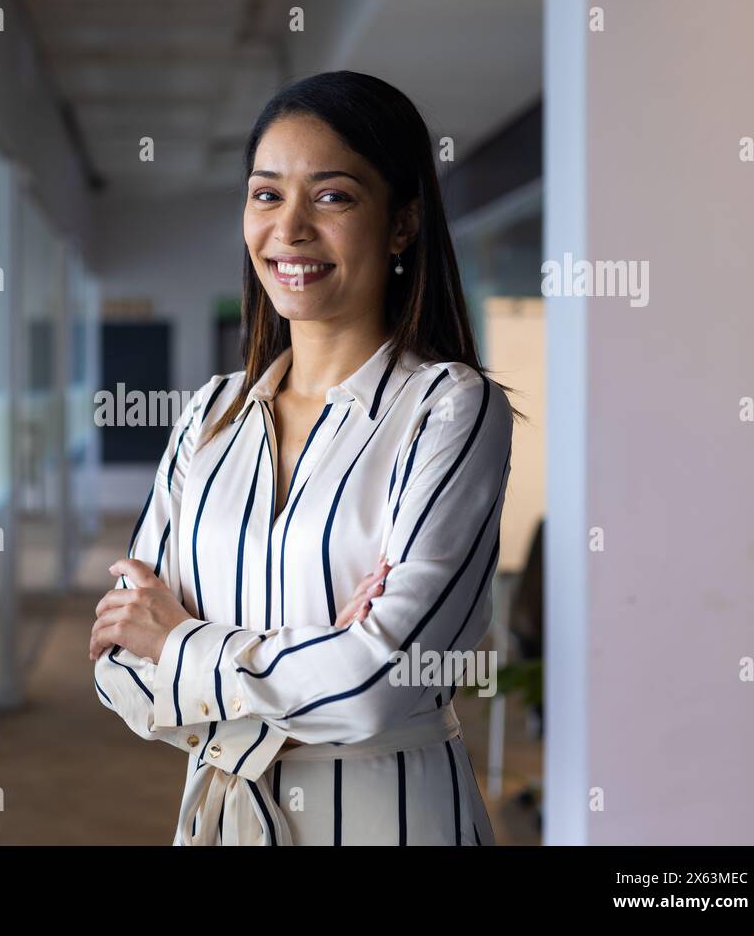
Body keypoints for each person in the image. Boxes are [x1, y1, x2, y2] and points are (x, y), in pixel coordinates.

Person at [91, 70, 517, 846]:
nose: (288, 229)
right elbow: (118, 661)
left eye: (332, 196)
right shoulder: (209, 416)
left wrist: (180, 640)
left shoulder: (449, 407)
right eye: (265, 194)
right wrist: (321, 655)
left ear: (401, 224)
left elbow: (386, 678)